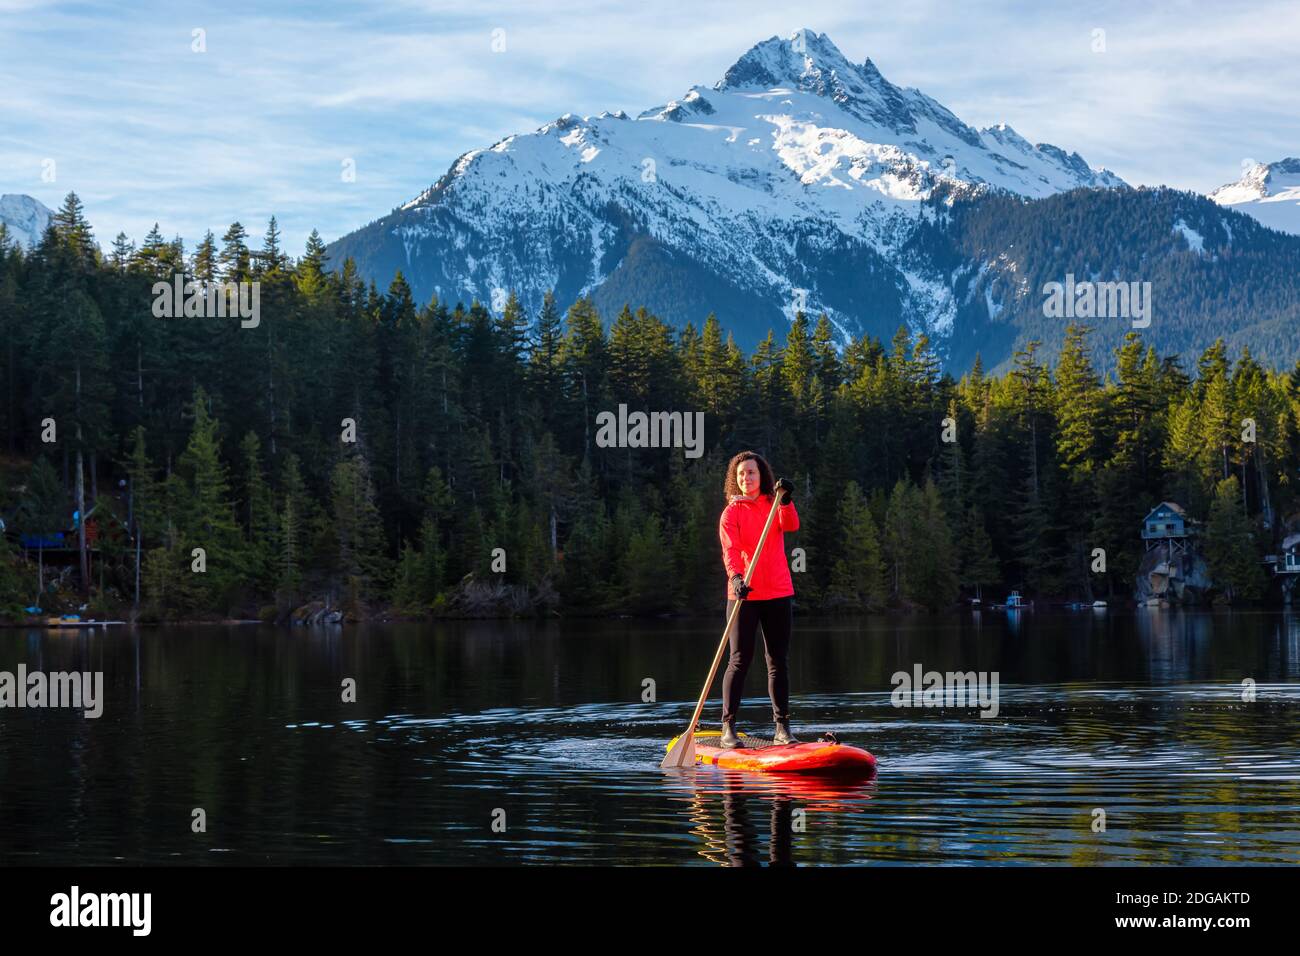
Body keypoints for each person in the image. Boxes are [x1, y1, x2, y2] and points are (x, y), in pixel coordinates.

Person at [717, 450, 799, 748]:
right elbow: (730, 550)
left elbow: (790, 525)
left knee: (777, 660)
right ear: (734, 479)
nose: (746, 478)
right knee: (739, 660)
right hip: (744, 594)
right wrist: (736, 578)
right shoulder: (731, 513)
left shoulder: (774, 502)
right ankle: (728, 728)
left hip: (778, 591)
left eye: (751, 472)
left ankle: (782, 728)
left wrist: (786, 499)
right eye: (740, 474)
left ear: (761, 475)